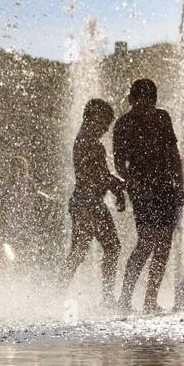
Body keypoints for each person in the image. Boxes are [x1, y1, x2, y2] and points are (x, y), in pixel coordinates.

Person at [114, 78, 184, 314]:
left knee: (164, 244)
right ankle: (125, 298)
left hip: (166, 187)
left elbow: (174, 155)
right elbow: (118, 162)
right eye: (139, 104)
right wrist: (129, 180)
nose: (144, 110)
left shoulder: (162, 118)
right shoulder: (123, 124)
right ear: (132, 100)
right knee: (146, 242)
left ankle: (150, 300)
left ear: (154, 101)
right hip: (142, 188)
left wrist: (180, 185)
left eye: (149, 104)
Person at [59, 98, 125, 304]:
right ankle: (106, 297)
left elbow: (101, 176)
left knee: (79, 251)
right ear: (94, 117)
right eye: (104, 122)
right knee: (111, 247)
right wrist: (124, 185)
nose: (106, 128)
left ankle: (56, 291)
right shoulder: (90, 143)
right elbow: (102, 177)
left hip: (83, 202)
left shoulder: (83, 140)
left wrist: (117, 189)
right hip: (89, 203)